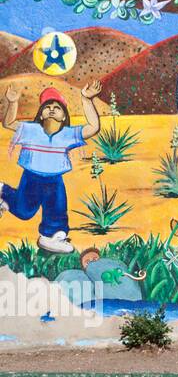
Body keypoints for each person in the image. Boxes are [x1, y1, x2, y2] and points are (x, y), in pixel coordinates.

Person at [0, 82, 103, 254]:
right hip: (31, 178)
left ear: (64, 116)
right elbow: (8, 122)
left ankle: (52, 237)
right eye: (47, 107)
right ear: (40, 115)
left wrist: (86, 99)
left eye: (58, 107)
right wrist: (12, 102)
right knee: (24, 211)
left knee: (57, 208)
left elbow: (94, 127)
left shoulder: (68, 134)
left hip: (55, 180)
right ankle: (3, 191)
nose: (52, 109)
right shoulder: (30, 130)